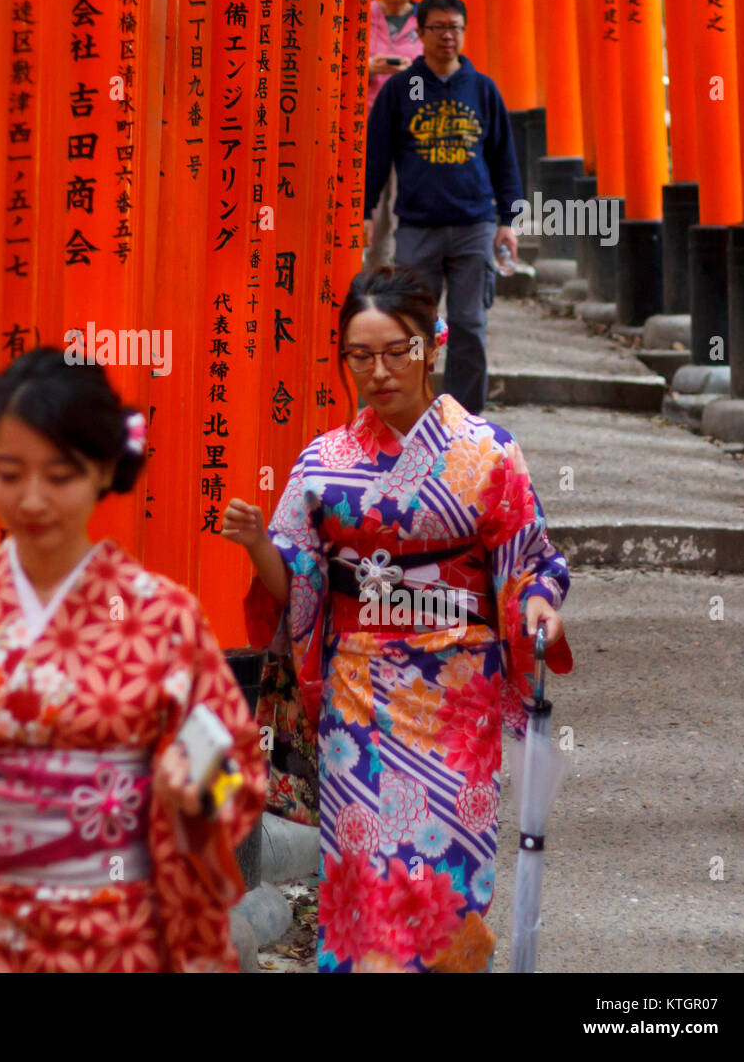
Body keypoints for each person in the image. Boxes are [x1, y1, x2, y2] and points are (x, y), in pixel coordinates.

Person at [0, 346, 265, 972]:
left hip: (122, 934)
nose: (32, 500)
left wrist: (196, 787)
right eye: (9, 473)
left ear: (102, 469)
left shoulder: (163, 616)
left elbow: (237, 766)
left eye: (59, 475)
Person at [222, 266, 572, 973]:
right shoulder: (324, 462)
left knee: (447, 881)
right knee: (365, 880)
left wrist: (538, 603)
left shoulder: (489, 454)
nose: (378, 371)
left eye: (396, 351)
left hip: (458, 695)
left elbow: (531, 557)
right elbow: (295, 586)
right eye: (360, 355)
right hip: (361, 699)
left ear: (432, 345)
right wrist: (261, 543)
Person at [364, 0, 523, 414]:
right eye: (437, 28)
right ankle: (411, 411)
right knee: (413, 327)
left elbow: (504, 160)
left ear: (464, 32)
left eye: (454, 28)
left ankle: (463, 420)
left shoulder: (483, 90)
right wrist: (364, 211)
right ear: (420, 32)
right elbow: (376, 157)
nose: (447, 37)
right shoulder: (402, 90)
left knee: (470, 325)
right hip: (417, 226)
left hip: (474, 226)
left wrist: (509, 221)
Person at [364, 0, 425, 271]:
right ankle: (375, 273)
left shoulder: (424, 19)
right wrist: (367, 67)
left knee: (407, 200)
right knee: (374, 205)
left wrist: (409, 73)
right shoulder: (363, 14)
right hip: (370, 121)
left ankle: (408, 272)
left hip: (411, 125)